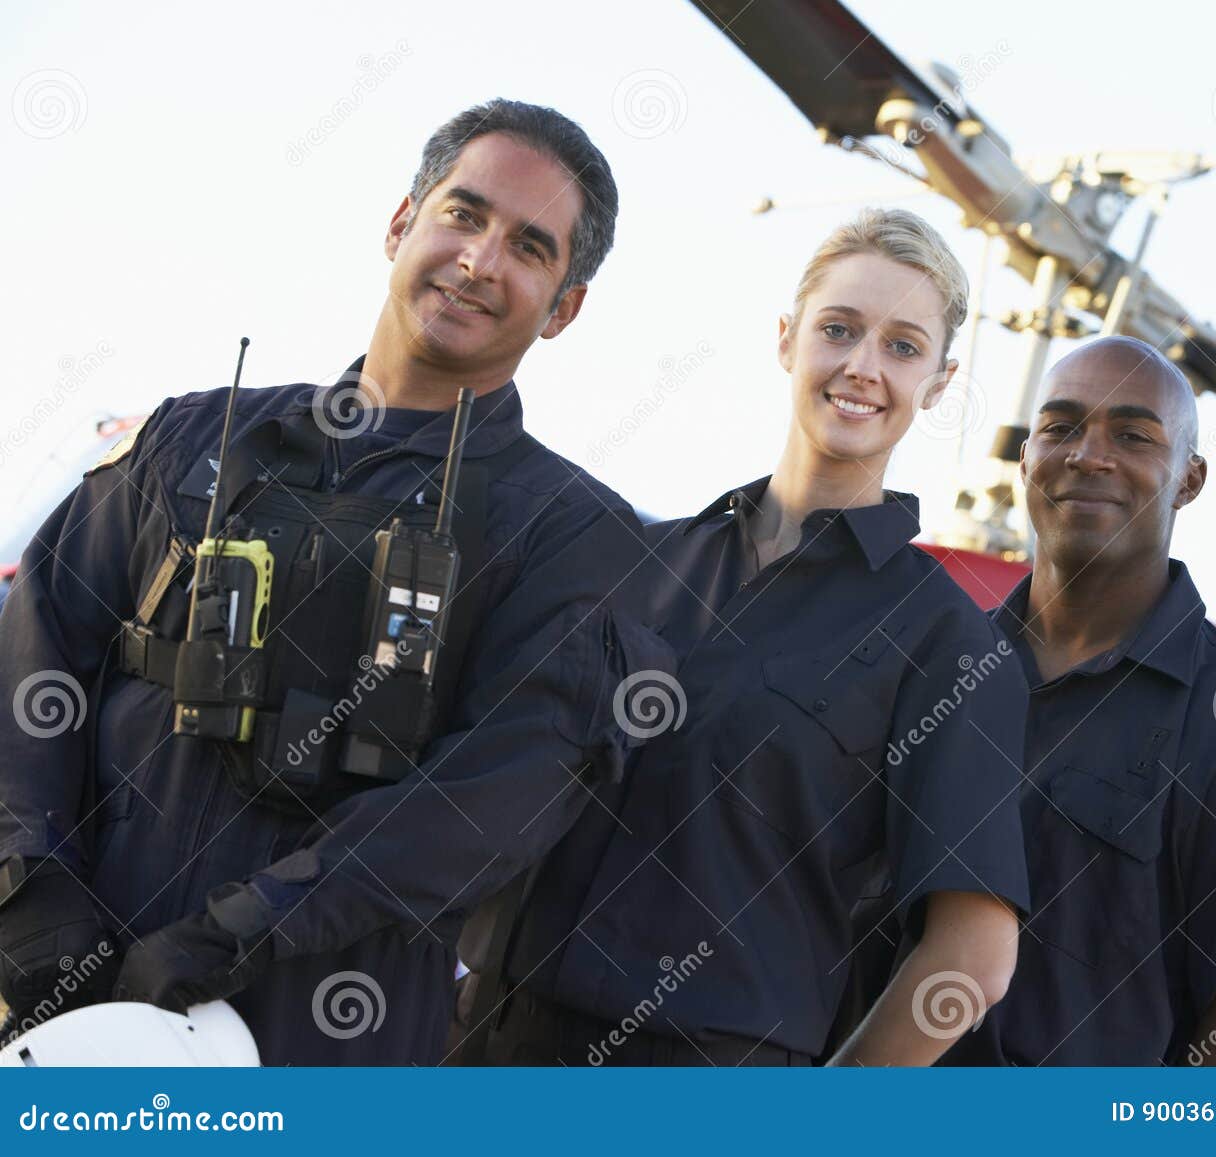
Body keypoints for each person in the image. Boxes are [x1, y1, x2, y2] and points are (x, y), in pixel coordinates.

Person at [0, 98, 671, 1064]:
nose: (480, 261)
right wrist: (31, 888)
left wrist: (256, 924)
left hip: (329, 1032)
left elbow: (499, 793)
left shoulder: (573, 537)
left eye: (530, 247)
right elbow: (38, 648)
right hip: (72, 1006)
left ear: (563, 307)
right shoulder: (192, 438)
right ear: (401, 224)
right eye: (463, 215)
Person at [455, 208, 1031, 1067]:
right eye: (839, 329)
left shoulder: (947, 642)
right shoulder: (642, 560)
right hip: (484, 1045)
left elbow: (972, 960)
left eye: (904, 347)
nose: (863, 366)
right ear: (787, 339)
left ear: (940, 382)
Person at [941, 336, 1216, 1066]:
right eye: (1059, 427)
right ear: (1025, 458)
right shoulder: (933, 673)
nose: (1089, 454)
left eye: (1132, 435)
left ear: (1189, 477)